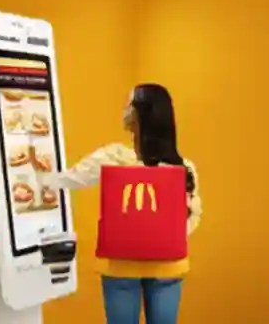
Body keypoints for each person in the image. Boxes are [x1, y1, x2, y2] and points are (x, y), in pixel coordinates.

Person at [41, 84, 201, 324]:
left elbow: (71, 179)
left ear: (138, 114)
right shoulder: (184, 168)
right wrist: (158, 237)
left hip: (121, 267)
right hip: (167, 267)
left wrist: (37, 178)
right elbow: (193, 216)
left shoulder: (112, 157)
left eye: (129, 103)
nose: (125, 109)